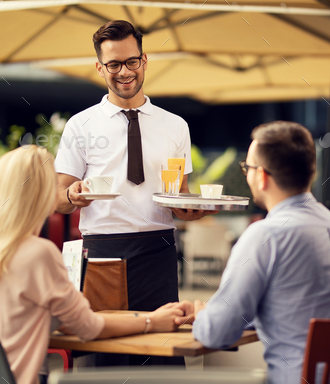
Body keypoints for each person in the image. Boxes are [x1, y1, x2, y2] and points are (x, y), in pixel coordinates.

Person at [53, 20, 215, 366]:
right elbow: (57, 197)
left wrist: (192, 209)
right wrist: (72, 196)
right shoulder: (81, 125)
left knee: (162, 355)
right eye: (113, 64)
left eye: (131, 62)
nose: (124, 72)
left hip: (158, 251)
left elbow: (180, 194)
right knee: (103, 359)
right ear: (100, 67)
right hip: (101, 255)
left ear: (144, 60)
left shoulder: (175, 125)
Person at [0, 146, 187, 384]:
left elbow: (68, 322)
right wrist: (152, 320)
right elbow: (88, 327)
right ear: (41, 192)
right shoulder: (39, 253)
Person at [176, 121, 330, 384]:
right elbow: (299, 305)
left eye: (248, 167)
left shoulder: (265, 235)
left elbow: (216, 334)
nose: (247, 174)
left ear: (262, 176)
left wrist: (203, 315)